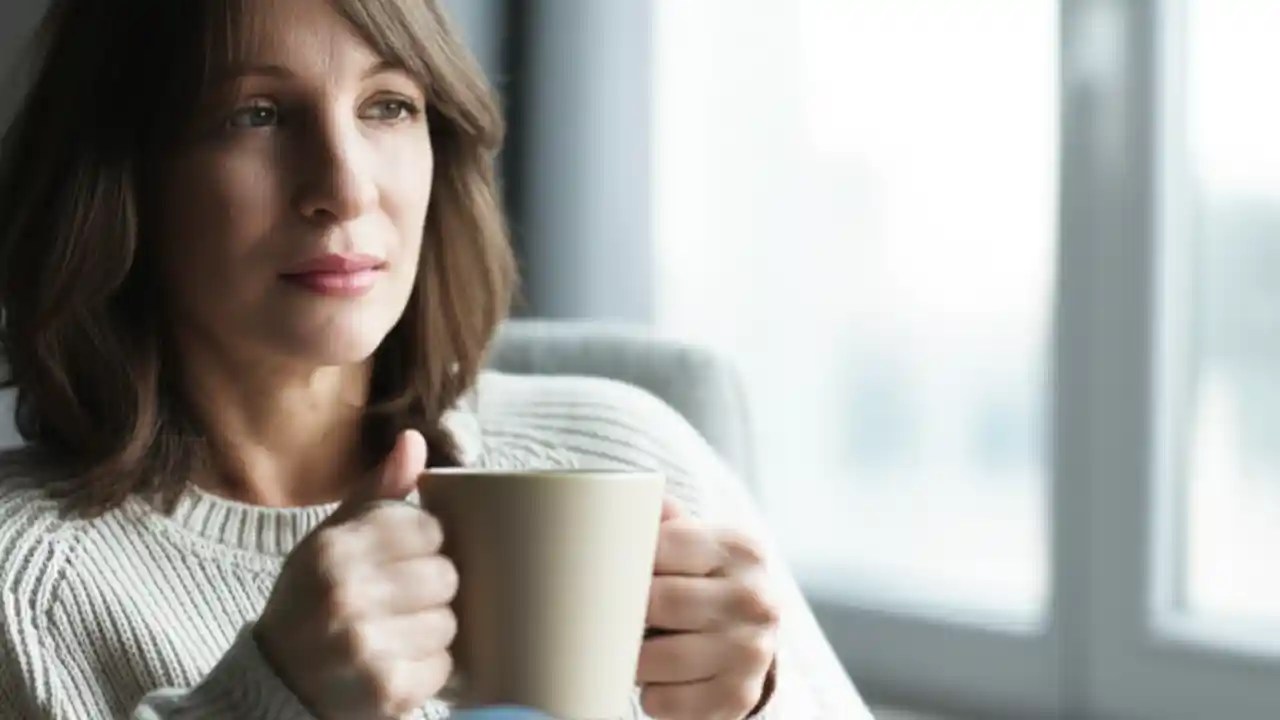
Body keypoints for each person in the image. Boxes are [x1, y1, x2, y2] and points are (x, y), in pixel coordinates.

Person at [0, 0, 871, 718]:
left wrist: (762, 703)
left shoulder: (630, 454)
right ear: (122, 179)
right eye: (256, 115)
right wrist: (269, 698)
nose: (344, 186)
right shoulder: (25, 584)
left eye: (388, 106)